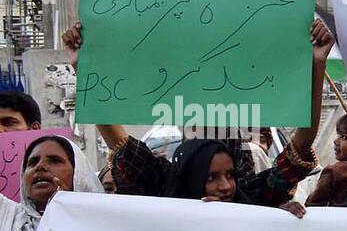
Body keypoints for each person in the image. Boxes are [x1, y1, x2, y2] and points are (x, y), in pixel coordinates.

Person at [61, 21, 332, 209]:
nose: (225, 186)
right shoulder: (163, 188)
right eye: (210, 177)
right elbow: (119, 144)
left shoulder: (253, 195)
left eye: (228, 175)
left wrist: (318, 64)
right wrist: (83, 69)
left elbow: (301, 143)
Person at [305, 111, 347, 207]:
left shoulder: (334, 172)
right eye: (338, 135)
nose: (336, 141)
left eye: (344, 137)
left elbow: (313, 205)